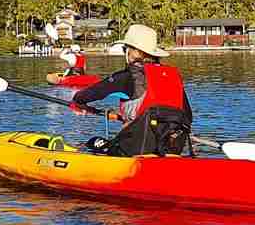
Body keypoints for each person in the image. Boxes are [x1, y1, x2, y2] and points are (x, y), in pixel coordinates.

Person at [69, 24, 193, 157]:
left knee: (94, 142)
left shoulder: (128, 76)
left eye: (125, 49)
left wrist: (78, 103)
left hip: (136, 149)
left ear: (136, 52)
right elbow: (187, 115)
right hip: (171, 148)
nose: (125, 53)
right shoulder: (172, 76)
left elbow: (86, 95)